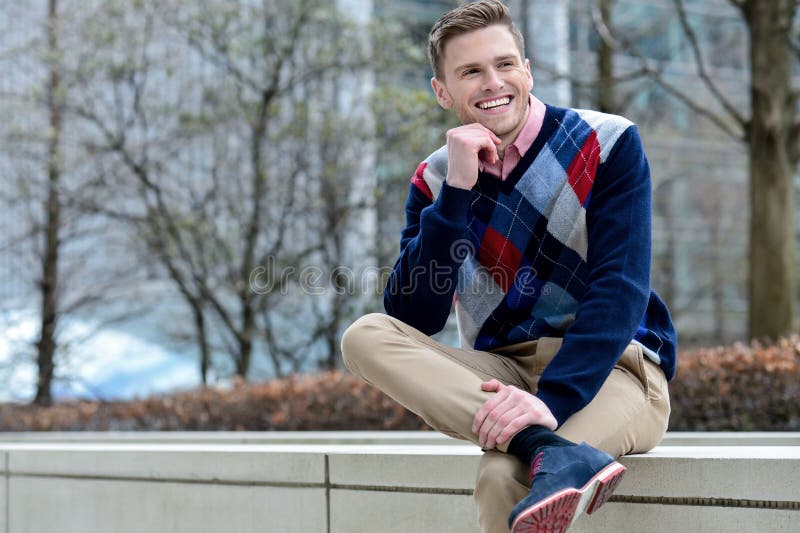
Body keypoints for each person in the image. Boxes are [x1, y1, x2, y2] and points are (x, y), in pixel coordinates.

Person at [340, 1, 676, 532]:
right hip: (502, 370)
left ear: (527, 70)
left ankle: (538, 440)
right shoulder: (434, 179)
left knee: (502, 477)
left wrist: (552, 401)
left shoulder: (605, 143)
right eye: (470, 71)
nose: (492, 82)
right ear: (442, 92)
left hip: (615, 369)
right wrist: (455, 195)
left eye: (505, 64)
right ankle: (546, 447)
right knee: (365, 336)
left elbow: (620, 288)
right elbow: (414, 313)